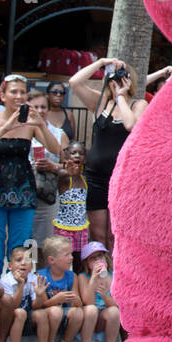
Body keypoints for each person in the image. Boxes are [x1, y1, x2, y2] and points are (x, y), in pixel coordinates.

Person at [0, 74, 62, 273]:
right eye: (13, 92)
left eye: (23, 92)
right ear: (2, 95)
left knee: (20, 247)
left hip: (23, 192)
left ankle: (16, 290)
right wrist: (5, 128)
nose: (19, 96)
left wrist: (40, 123)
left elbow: (56, 149)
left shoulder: (31, 124)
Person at [68, 57, 147, 250]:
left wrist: (121, 96)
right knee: (98, 234)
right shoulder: (102, 102)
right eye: (114, 77)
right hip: (95, 177)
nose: (117, 81)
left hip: (121, 178)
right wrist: (101, 63)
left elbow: (131, 125)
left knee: (114, 236)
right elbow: (74, 82)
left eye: (122, 76)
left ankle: (115, 276)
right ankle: (101, 273)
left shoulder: (138, 104)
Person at [27, 89, 68, 266]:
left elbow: (70, 166)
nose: (40, 110)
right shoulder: (21, 131)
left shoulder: (58, 134)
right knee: (26, 241)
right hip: (26, 193)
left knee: (45, 242)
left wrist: (53, 167)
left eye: (43, 106)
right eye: (35, 106)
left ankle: (42, 276)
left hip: (48, 196)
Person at [32, 235, 88, 342]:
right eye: (66, 255)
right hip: (47, 314)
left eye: (71, 254)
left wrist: (76, 300)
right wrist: (57, 299)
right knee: (56, 311)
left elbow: (77, 304)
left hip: (64, 313)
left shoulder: (72, 276)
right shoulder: (41, 276)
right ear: (52, 260)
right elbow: (41, 306)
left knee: (78, 313)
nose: (71, 258)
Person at [52, 143, 90, 271]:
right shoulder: (65, 177)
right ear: (67, 155)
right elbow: (62, 175)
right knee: (63, 260)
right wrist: (69, 173)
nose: (77, 155)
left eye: (81, 153)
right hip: (64, 228)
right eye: (74, 153)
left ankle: (79, 283)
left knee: (80, 261)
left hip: (81, 228)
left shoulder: (84, 179)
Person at [0, 243, 40, 342]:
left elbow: (36, 306)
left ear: (32, 267)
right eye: (19, 260)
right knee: (20, 312)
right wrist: (20, 285)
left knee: (42, 314)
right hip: (6, 319)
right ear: (10, 266)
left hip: (26, 317)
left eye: (27, 260)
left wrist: (40, 295)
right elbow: (13, 306)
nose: (23, 263)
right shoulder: (6, 280)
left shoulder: (33, 278)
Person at [78, 240, 121, 342]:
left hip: (104, 316)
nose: (98, 260)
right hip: (89, 317)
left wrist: (105, 296)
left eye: (100, 256)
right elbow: (88, 302)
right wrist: (93, 279)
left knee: (115, 311)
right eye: (93, 259)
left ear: (105, 258)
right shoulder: (83, 277)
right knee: (91, 309)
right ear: (87, 263)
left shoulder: (114, 275)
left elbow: (116, 305)